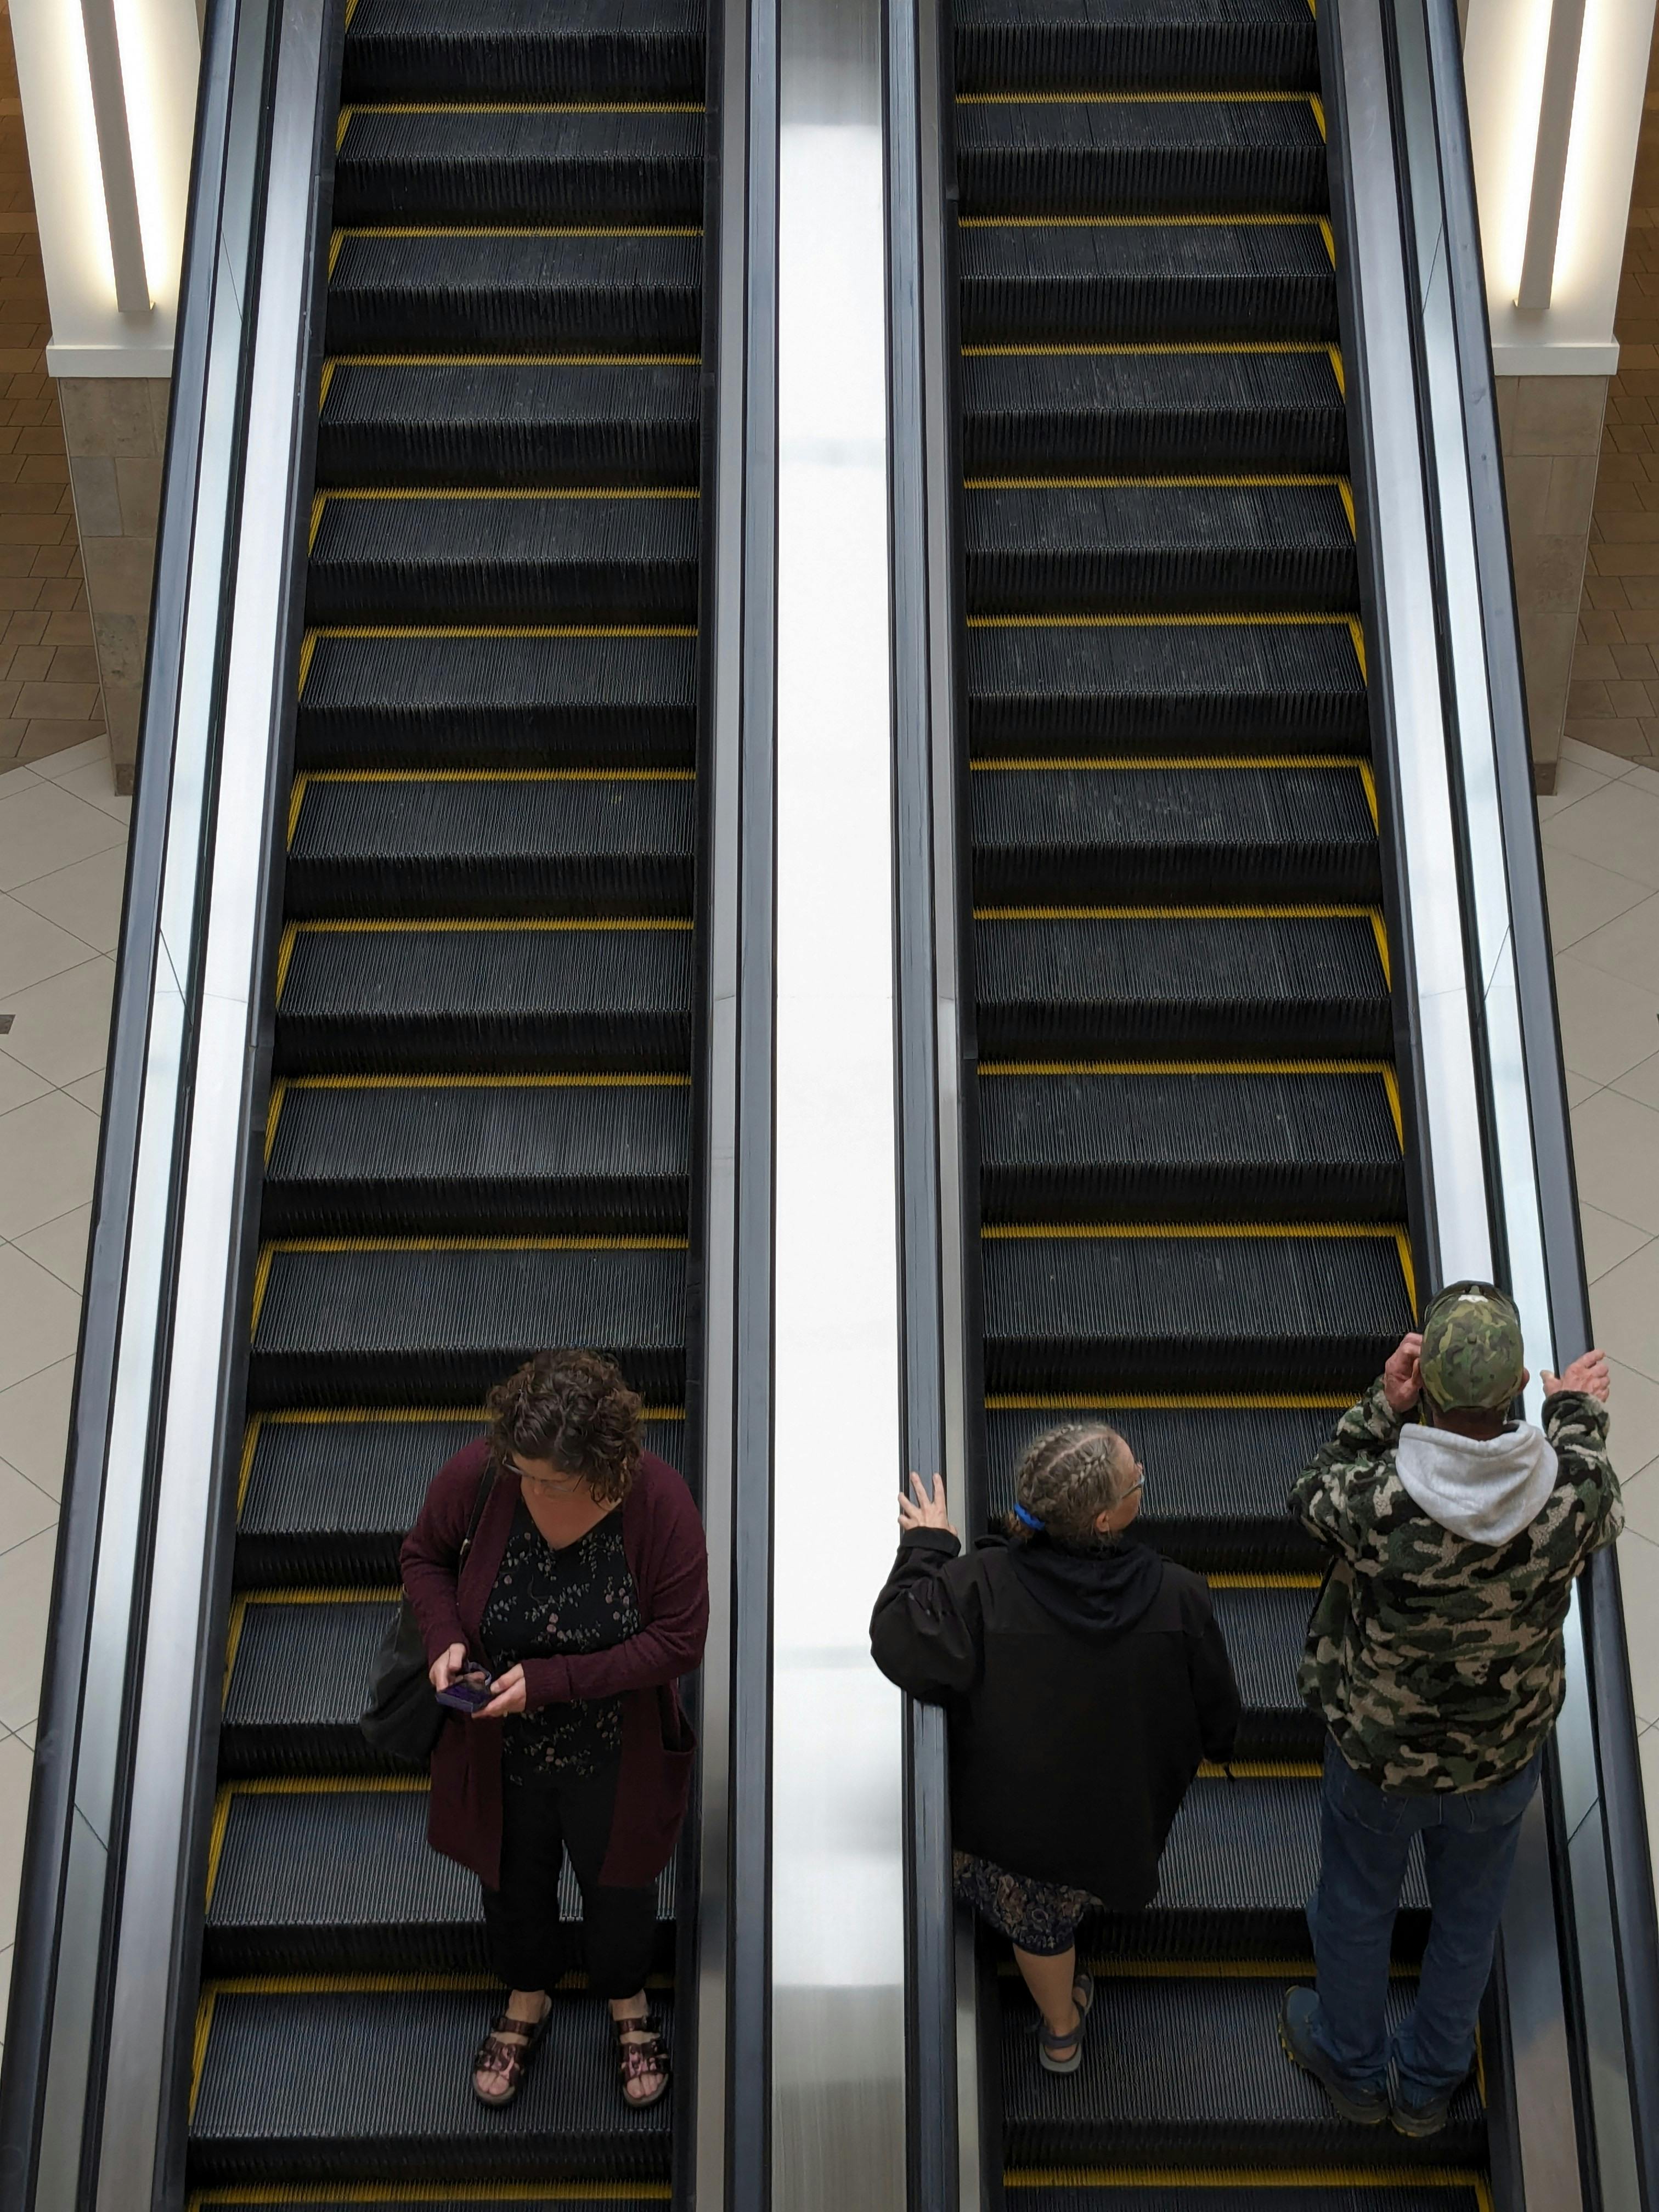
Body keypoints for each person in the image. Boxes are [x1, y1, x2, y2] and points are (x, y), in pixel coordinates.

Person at [1279, 1280, 1621, 2137]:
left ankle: (1352, 2068)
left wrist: (1382, 1405)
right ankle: (1428, 2085)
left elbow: (1309, 1492)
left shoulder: (1377, 1501)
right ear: (1518, 1390)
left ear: (1425, 1384)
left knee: (1356, 1906)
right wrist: (1574, 1413)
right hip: (1498, 1760)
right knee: (1469, 1921)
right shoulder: (1570, 1499)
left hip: (1377, 1754)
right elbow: (1597, 1484)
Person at [870, 1424, 1242, 2072]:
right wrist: (1219, 1745)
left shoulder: (981, 1586)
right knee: (1049, 1924)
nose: (1143, 1474)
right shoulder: (1179, 1596)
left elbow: (898, 1637)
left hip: (1019, 1823)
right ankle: (1062, 2030)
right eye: (1137, 1478)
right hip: (1116, 1815)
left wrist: (930, 1546)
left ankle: (1063, 2016)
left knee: (1039, 1917)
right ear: (1105, 1520)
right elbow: (1216, 1708)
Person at [401, 1347, 708, 2111]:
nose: (532, 1489)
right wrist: (444, 1638)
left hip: (616, 1752)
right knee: (510, 1886)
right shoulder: (484, 1474)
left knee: (622, 1890)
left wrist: (552, 1682)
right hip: (497, 1750)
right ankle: (527, 1996)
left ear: (604, 1466)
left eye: (553, 1481)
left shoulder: (659, 1502)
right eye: (523, 1472)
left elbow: (680, 1640)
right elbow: (425, 1557)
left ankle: (627, 2001)